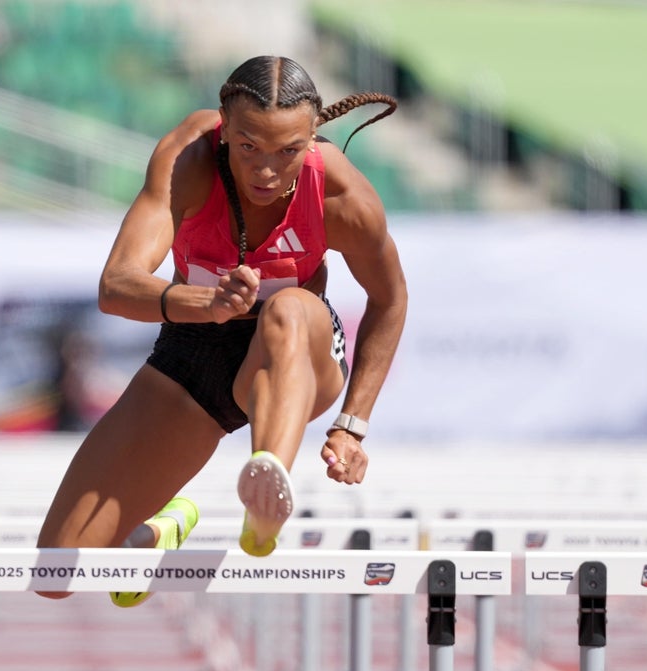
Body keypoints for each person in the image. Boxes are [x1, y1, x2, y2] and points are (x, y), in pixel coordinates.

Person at [35, 55, 408, 605]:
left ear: (312, 139)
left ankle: (266, 499)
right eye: (249, 146)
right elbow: (116, 285)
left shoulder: (341, 196)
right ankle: (162, 525)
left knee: (287, 312)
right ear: (224, 128)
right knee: (57, 573)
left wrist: (351, 425)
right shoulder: (189, 157)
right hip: (196, 347)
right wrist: (204, 302)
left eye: (288, 152)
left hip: (294, 357)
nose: (265, 171)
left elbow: (390, 298)